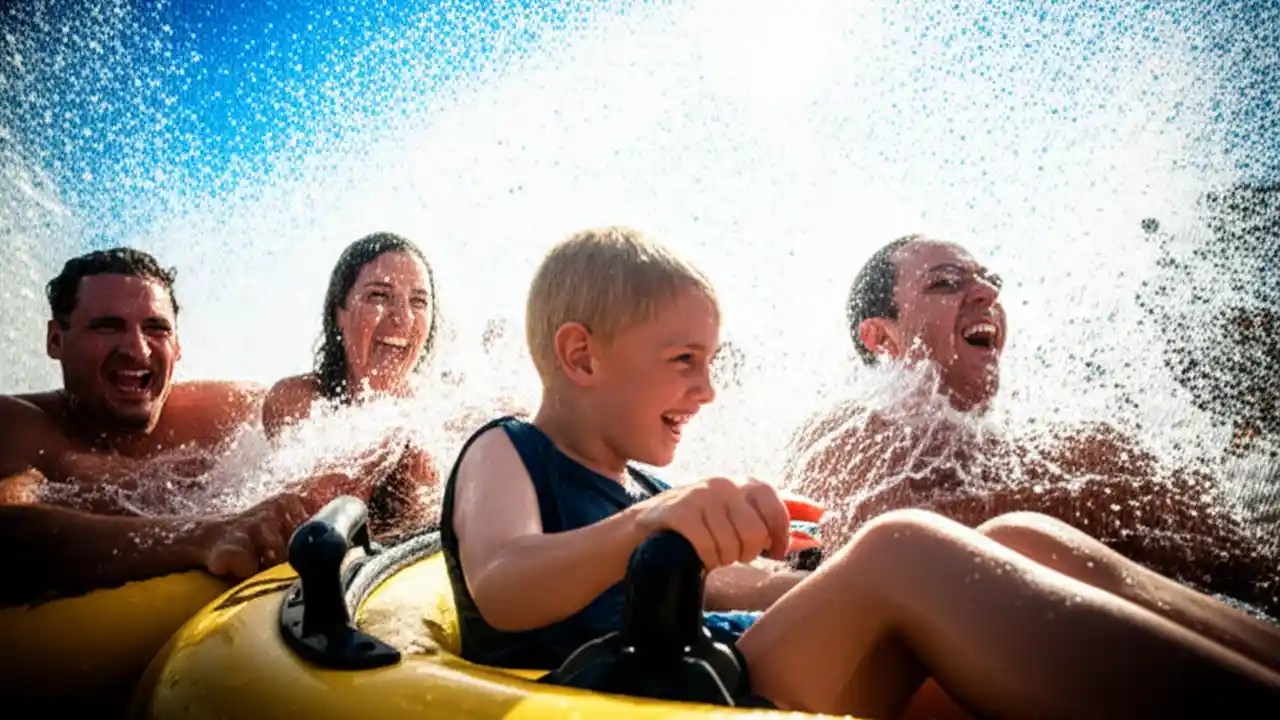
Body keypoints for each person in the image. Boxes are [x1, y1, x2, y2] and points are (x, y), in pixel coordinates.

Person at [441, 226, 1280, 719]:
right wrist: (648, 527)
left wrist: (802, 569)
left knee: (1015, 538)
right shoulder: (509, 450)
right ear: (581, 356)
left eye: (713, 358)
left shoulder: (647, 493)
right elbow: (504, 584)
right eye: (684, 359)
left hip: (713, 663)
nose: (708, 386)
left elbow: (738, 595)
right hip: (642, 693)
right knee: (903, 548)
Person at [783, 234, 1280, 616]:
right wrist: (1079, 503)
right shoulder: (850, 430)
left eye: (985, 279)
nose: (986, 291)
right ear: (881, 338)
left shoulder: (1024, 446)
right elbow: (848, 547)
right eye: (945, 282)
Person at [0, 247, 312, 605]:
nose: (138, 350)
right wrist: (204, 536)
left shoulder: (222, 413)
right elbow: (9, 531)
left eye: (156, 328)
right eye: (108, 326)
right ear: (56, 340)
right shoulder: (18, 424)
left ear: (177, 347)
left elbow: (333, 428)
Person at [261, 232, 442, 537]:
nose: (402, 318)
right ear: (339, 314)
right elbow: (317, 501)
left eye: (418, 302)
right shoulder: (297, 400)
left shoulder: (439, 406)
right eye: (379, 296)